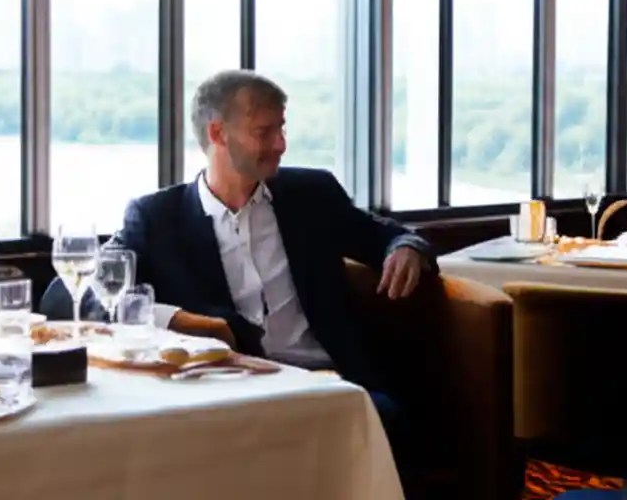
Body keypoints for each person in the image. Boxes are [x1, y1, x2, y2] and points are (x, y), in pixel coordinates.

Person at [42, 69, 435, 461]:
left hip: (330, 384)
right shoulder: (158, 218)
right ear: (217, 134)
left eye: (281, 129)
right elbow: (65, 297)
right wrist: (176, 318)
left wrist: (406, 248)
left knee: (386, 419)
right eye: (265, 132)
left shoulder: (311, 195)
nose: (281, 144)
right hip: (228, 394)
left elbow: (391, 234)